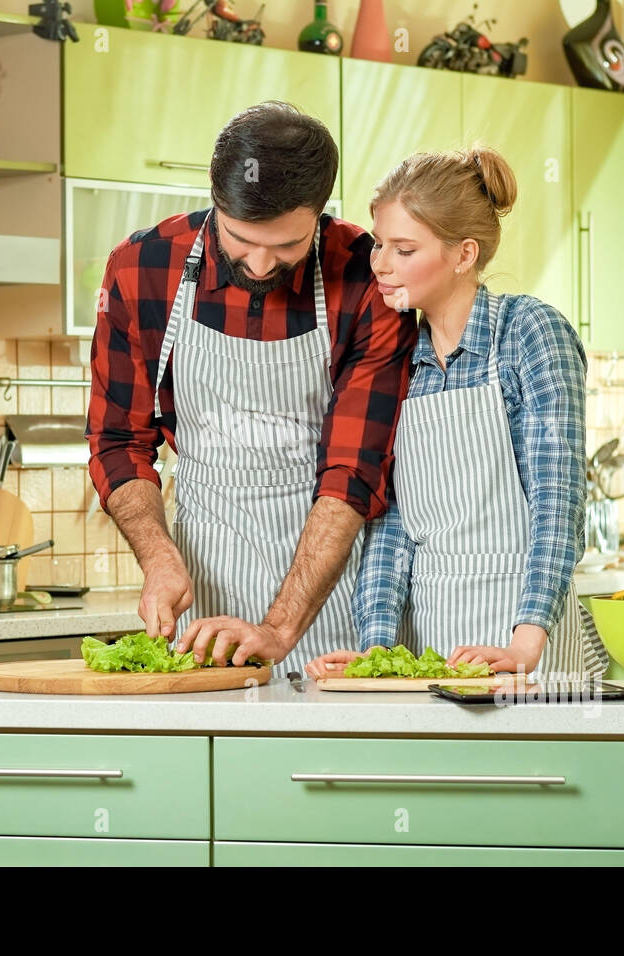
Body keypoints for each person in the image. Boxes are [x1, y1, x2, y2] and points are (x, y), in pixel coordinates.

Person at [86, 101, 416, 675]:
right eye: (241, 240)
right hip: (204, 590)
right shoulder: (142, 268)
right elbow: (118, 441)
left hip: (332, 602)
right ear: (216, 203)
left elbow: (353, 469)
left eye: (287, 246)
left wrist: (280, 626)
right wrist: (159, 559)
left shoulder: (367, 275)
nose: (261, 265)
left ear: (320, 213)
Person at [305, 147, 608, 682]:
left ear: (464, 254)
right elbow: (392, 526)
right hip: (427, 649)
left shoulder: (529, 333)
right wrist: (378, 650)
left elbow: (557, 503)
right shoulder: (399, 357)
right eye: (379, 244)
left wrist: (525, 643)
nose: (379, 263)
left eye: (403, 249)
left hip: (524, 646)